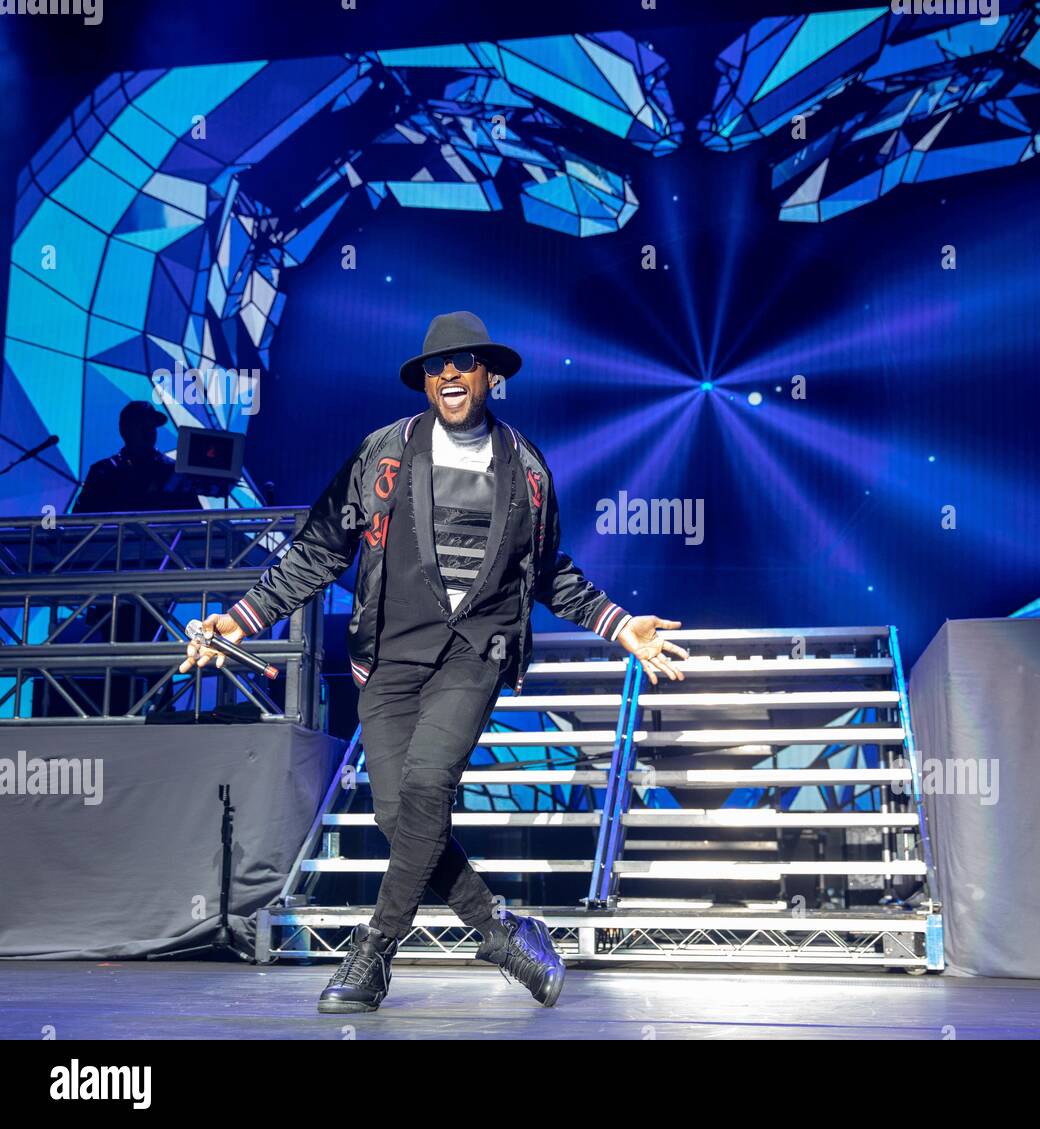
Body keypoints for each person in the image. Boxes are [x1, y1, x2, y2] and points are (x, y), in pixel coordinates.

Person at [180, 310, 688, 1013]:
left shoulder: (528, 471)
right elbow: (317, 552)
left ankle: (375, 950)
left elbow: (548, 574)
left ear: (490, 376)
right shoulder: (381, 454)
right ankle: (500, 928)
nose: (448, 373)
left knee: (425, 788)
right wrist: (235, 618)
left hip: (475, 656)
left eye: (464, 362)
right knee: (397, 813)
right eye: (435, 366)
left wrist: (619, 623)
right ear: (424, 382)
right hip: (389, 658)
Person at [72, 401, 201, 513]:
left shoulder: (175, 471)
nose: (148, 431)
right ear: (125, 430)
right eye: (141, 425)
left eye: (151, 426)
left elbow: (196, 521)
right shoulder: (103, 471)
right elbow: (79, 522)